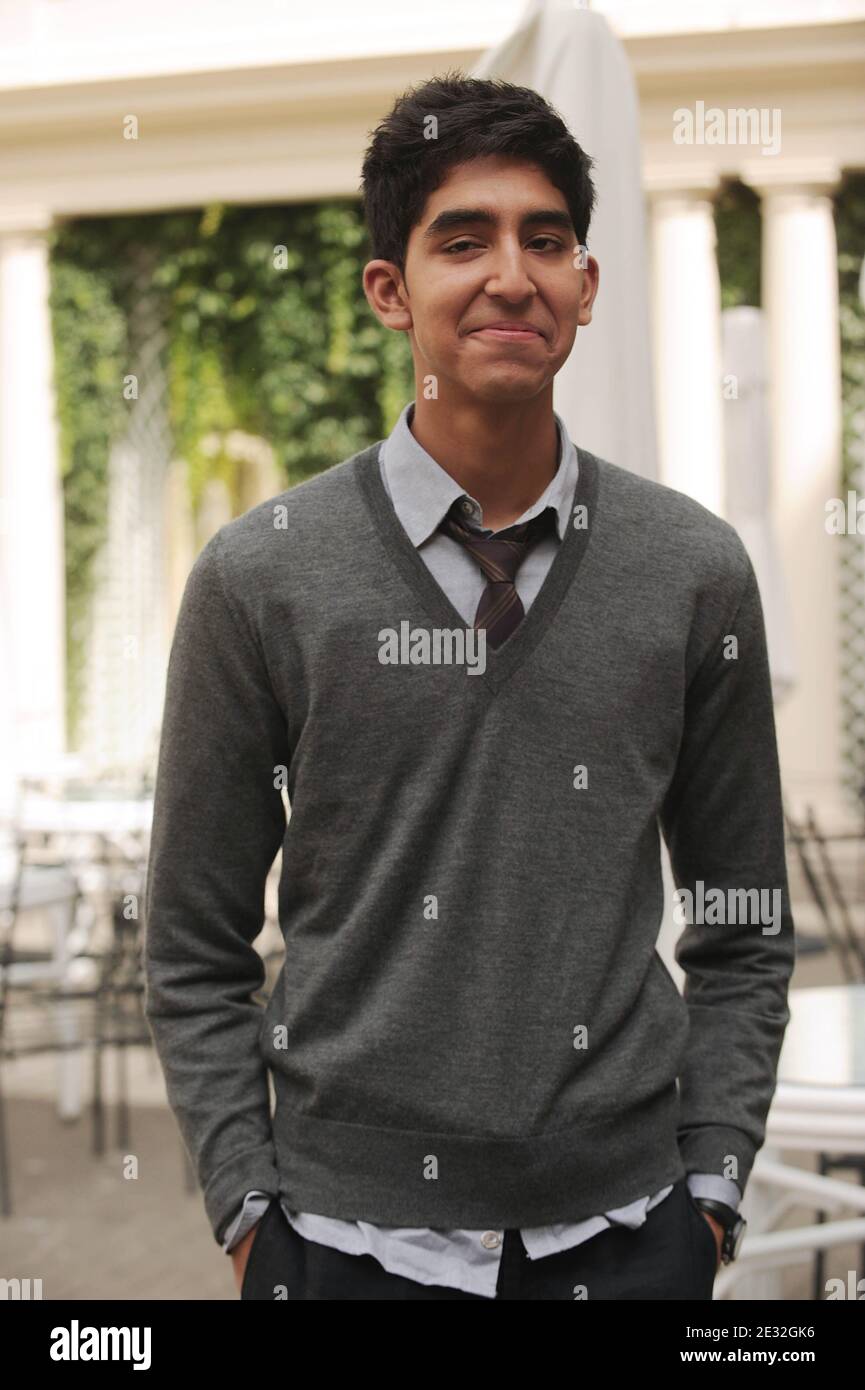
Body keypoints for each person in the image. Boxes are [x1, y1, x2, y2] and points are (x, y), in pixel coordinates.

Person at [143, 72, 796, 1301]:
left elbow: (744, 921)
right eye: (464, 238)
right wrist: (249, 1216)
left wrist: (708, 1194)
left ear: (587, 287)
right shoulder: (258, 579)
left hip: (631, 1237)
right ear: (389, 289)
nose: (514, 274)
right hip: (342, 1248)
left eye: (546, 239)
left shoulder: (691, 569)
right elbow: (189, 944)